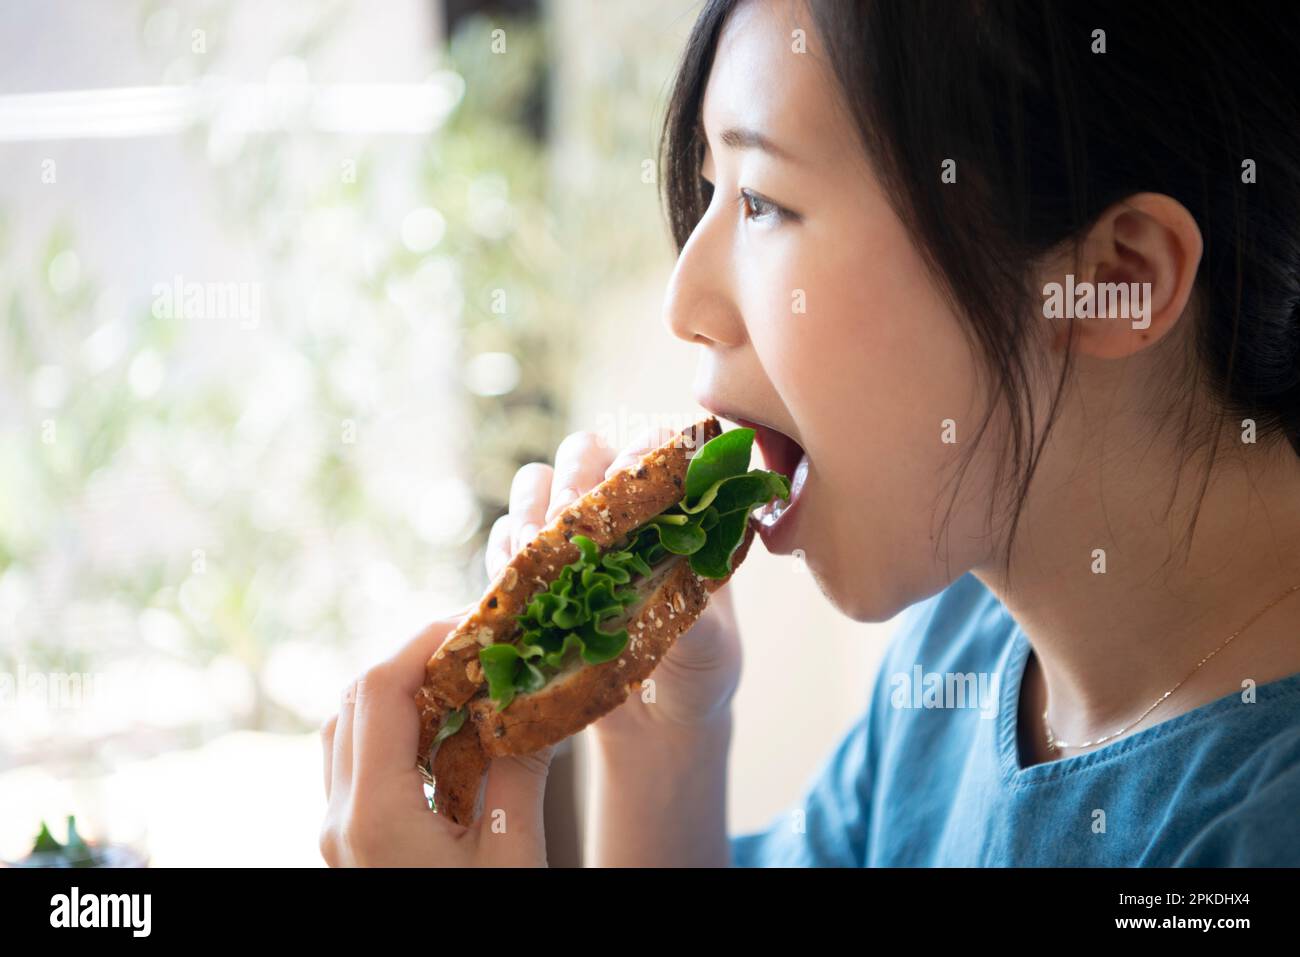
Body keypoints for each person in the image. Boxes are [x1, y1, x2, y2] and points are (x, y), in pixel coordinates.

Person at [319, 0, 1300, 866]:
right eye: (709, 193)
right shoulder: (964, 643)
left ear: (1113, 278)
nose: (686, 302)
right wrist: (662, 746)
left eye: (761, 200)